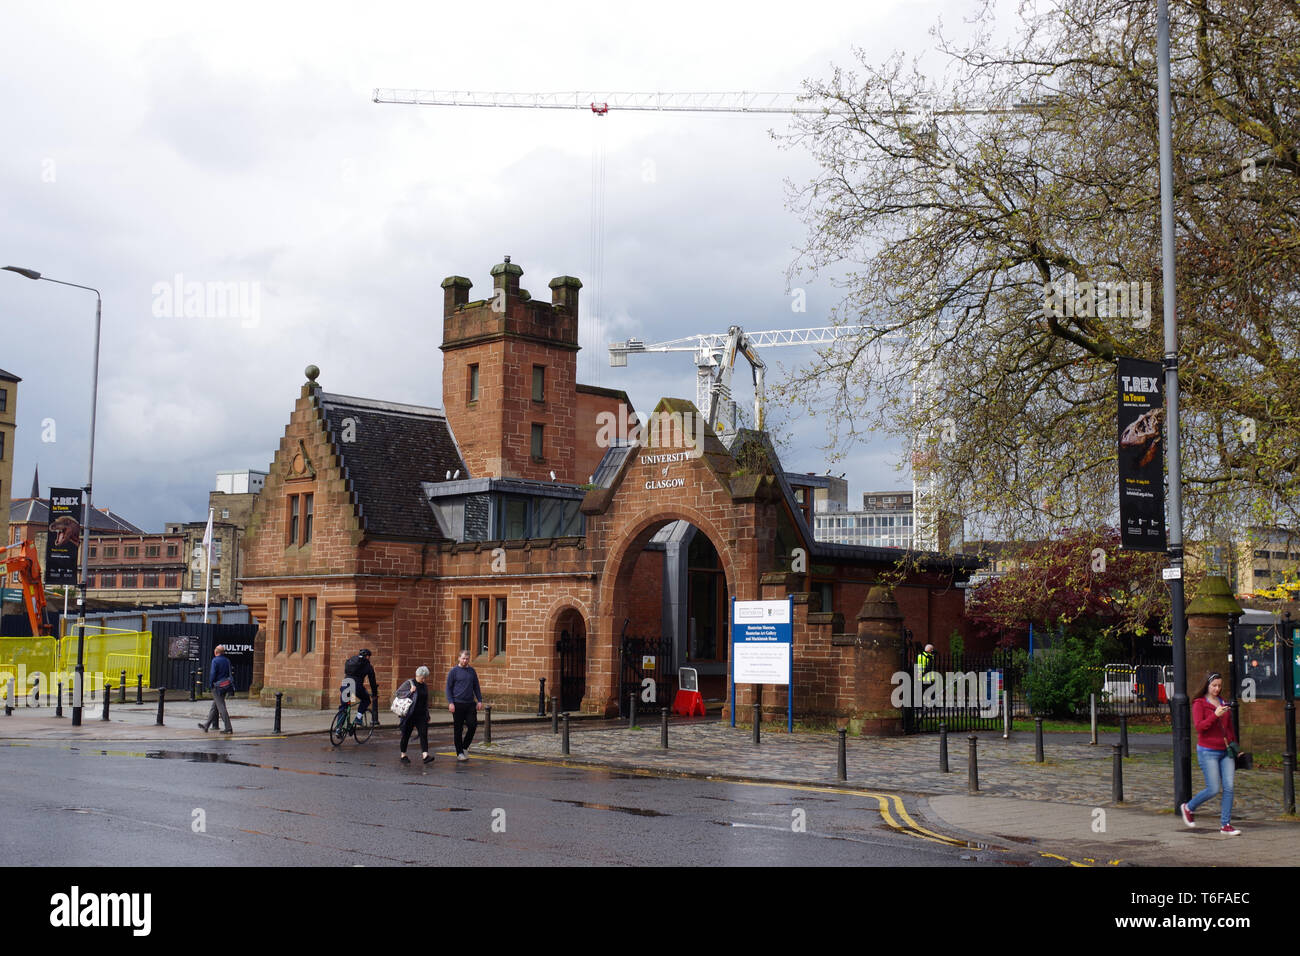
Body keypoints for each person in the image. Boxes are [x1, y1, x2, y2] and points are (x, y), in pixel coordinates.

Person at [1181, 672, 1241, 835]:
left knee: (1229, 787)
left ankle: (1225, 824)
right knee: (1213, 788)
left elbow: (1229, 728)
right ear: (1207, 685)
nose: (1217, 688)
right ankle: (1188, 807)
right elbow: (1200, 727)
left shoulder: (1223, 702)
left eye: (1219, 686)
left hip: (1225, 751)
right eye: (1214, 685)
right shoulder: (1199, 703)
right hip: (1208, 751)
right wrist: (1215, 715)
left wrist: (1236, 747)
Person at [446, 650, 483, 761]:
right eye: (463, 658)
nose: (465, 661)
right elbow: (448, 688)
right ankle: (459, 753)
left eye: (467, 659)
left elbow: (476, 686)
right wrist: (450, 702)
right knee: (458, 729)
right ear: (459, 658)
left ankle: (465, 746)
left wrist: (479, 700)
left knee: (473, 725)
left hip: (470, 703)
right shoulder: (454, 671)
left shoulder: (472, 671)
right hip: (457, 704)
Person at [397, 666, 433, 764]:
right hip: (410, 714)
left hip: (421, 715)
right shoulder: (409, 683)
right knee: (406, 734)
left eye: (425, 677)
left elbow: (425, 702)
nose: (424, 679)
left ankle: (425, 755)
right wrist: (410, 692)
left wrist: (427, 715)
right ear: (418, 675)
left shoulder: (424, 686)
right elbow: (398, 693)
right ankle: (403, 754)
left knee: (423, 734)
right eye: (423, 677)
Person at [197, 645, 234, 735]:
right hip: (225, 685)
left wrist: (210, 684)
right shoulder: (227, 660)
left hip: (217, 686)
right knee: (215, 706)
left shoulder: (215, 660)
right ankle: (206, 725)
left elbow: (213, 673)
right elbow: (230, 673)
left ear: (216, 652)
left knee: (221, 707)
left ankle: (228, 728)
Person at [344, 648, 380, 726]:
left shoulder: (352, 659)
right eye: (369, 657)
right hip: (356, 686)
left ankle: (339, 728)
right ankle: (358, 718)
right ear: (367, 656)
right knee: (366, 700)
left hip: (346, 683)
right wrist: (374, 694)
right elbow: (372, 682)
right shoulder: (367, 665)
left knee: (344, 706)